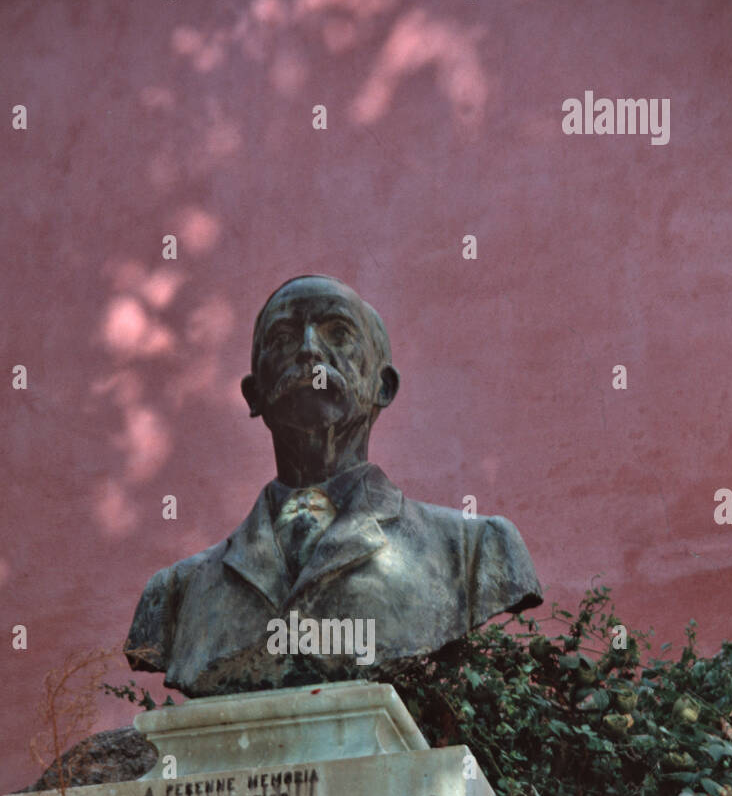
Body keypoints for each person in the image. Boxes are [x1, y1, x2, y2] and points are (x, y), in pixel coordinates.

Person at [126, 275, 542, 696]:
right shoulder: (177, 594)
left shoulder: (476, 552)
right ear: (254, 395)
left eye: (338, 333)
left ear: (383, 386)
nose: (308, 349)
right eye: (284, 337)